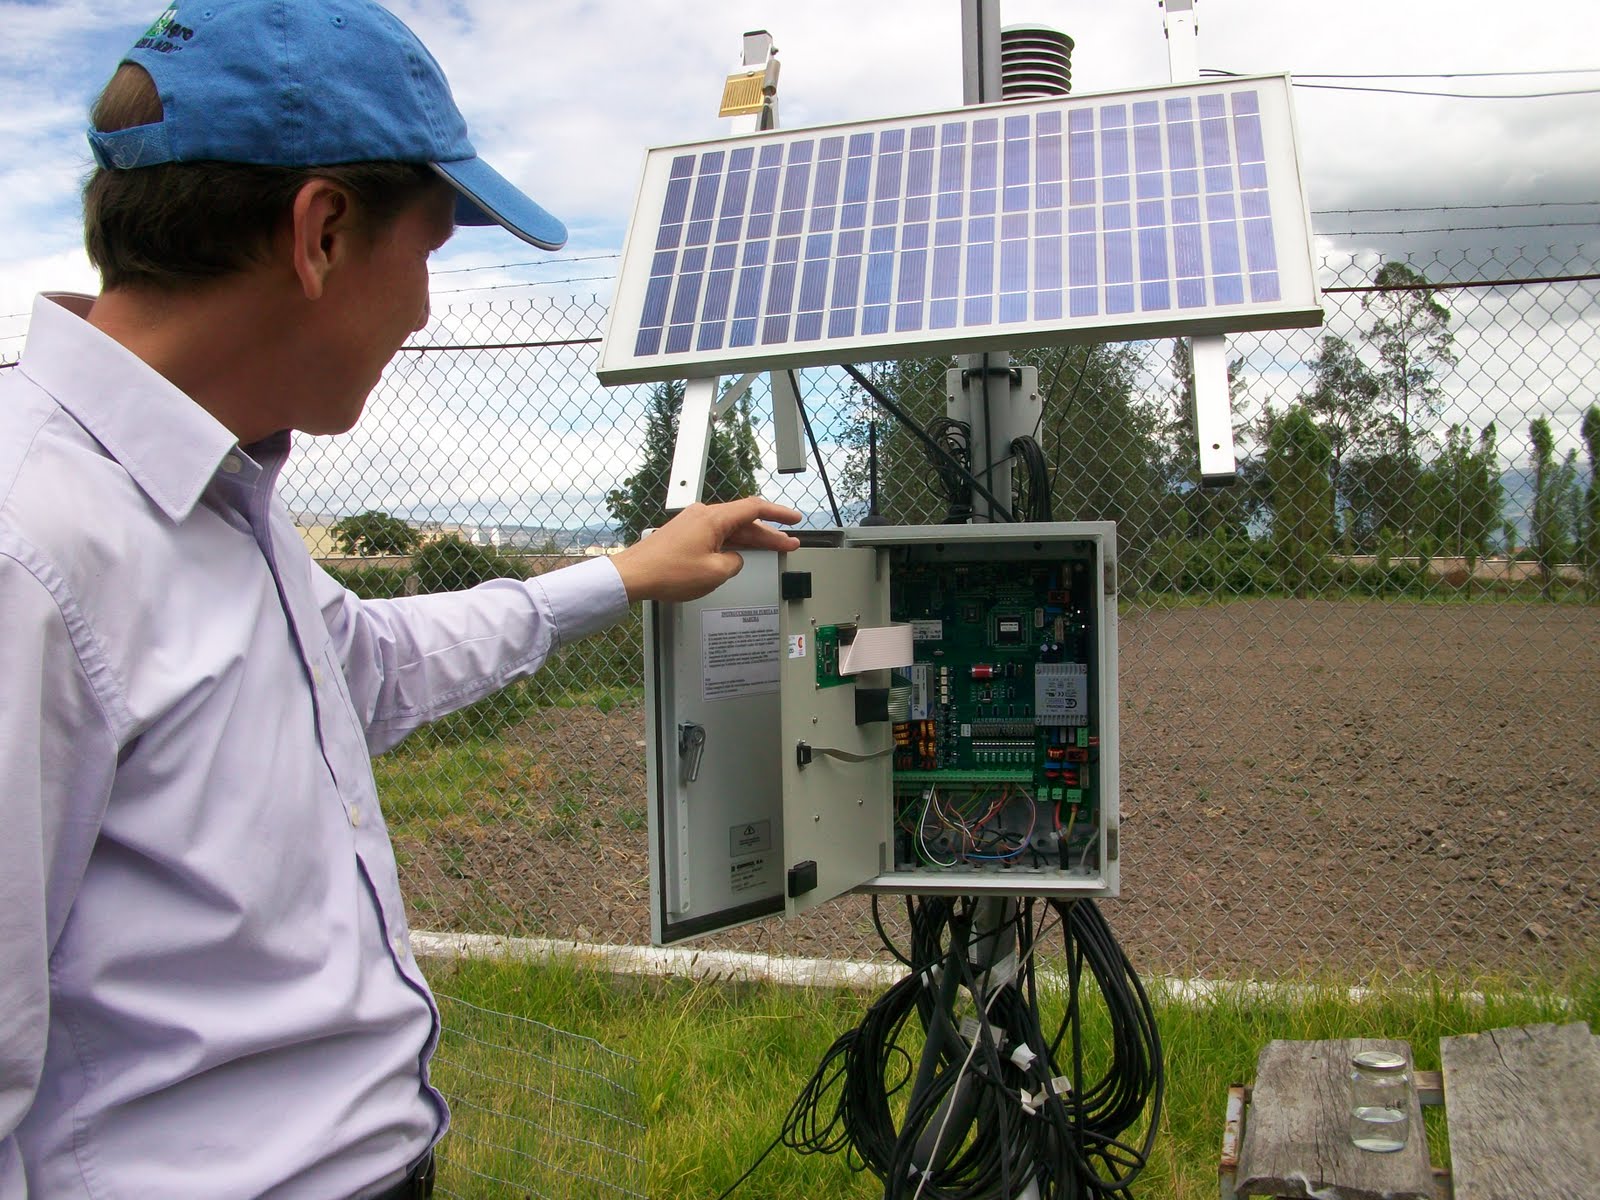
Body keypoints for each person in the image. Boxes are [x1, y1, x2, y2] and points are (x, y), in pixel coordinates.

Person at [0, 2, 801, 1196]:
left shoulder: (214, 492)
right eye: (427, 252)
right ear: (321, 231)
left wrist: (625, 573)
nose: (423, 309)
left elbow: (364, 661)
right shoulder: (35, 547)